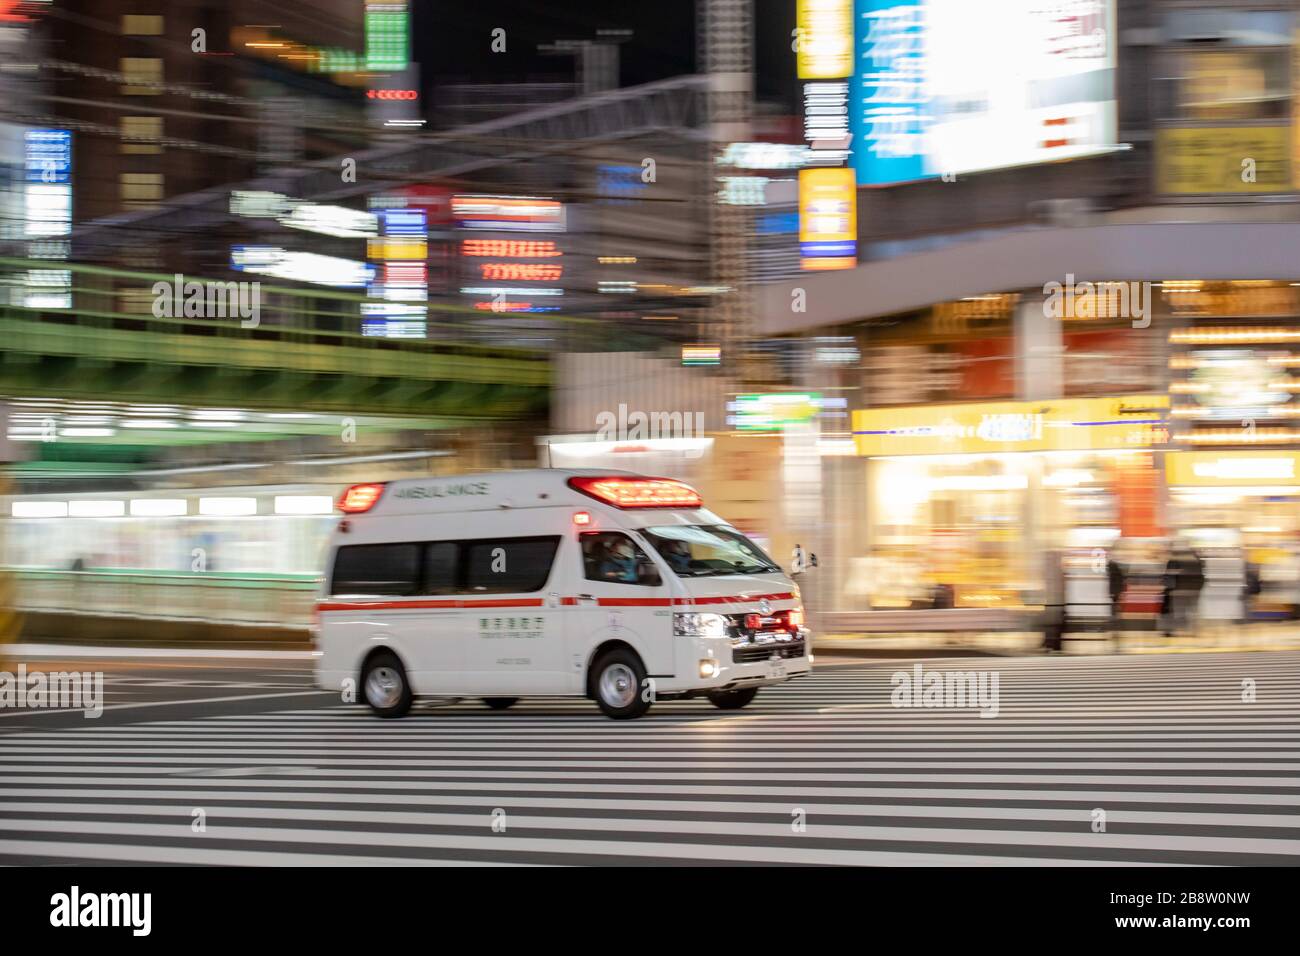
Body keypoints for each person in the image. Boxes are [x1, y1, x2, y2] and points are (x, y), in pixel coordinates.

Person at [1163, 542, 1205, 636]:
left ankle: (1173, 631)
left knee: (1177, 611)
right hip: (1194, 591)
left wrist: (1169, 589)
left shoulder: (1174, 559)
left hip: (1179, 590)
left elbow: (1168, 577)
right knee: (1192, 611)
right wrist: (1198, 589)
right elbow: (1201, 577)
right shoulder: (1196, 559)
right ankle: (1193, 631)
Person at [1106, 552, 1126, 633]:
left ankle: (1115, 622)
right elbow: (1120, 580)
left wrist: (1111, 592)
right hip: (1116, 591)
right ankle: (1117, 621)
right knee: (1116, 605)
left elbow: (1112, 582)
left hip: (1115, 591)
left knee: (1115, 605)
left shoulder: (1112, 570)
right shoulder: (1117, 570)